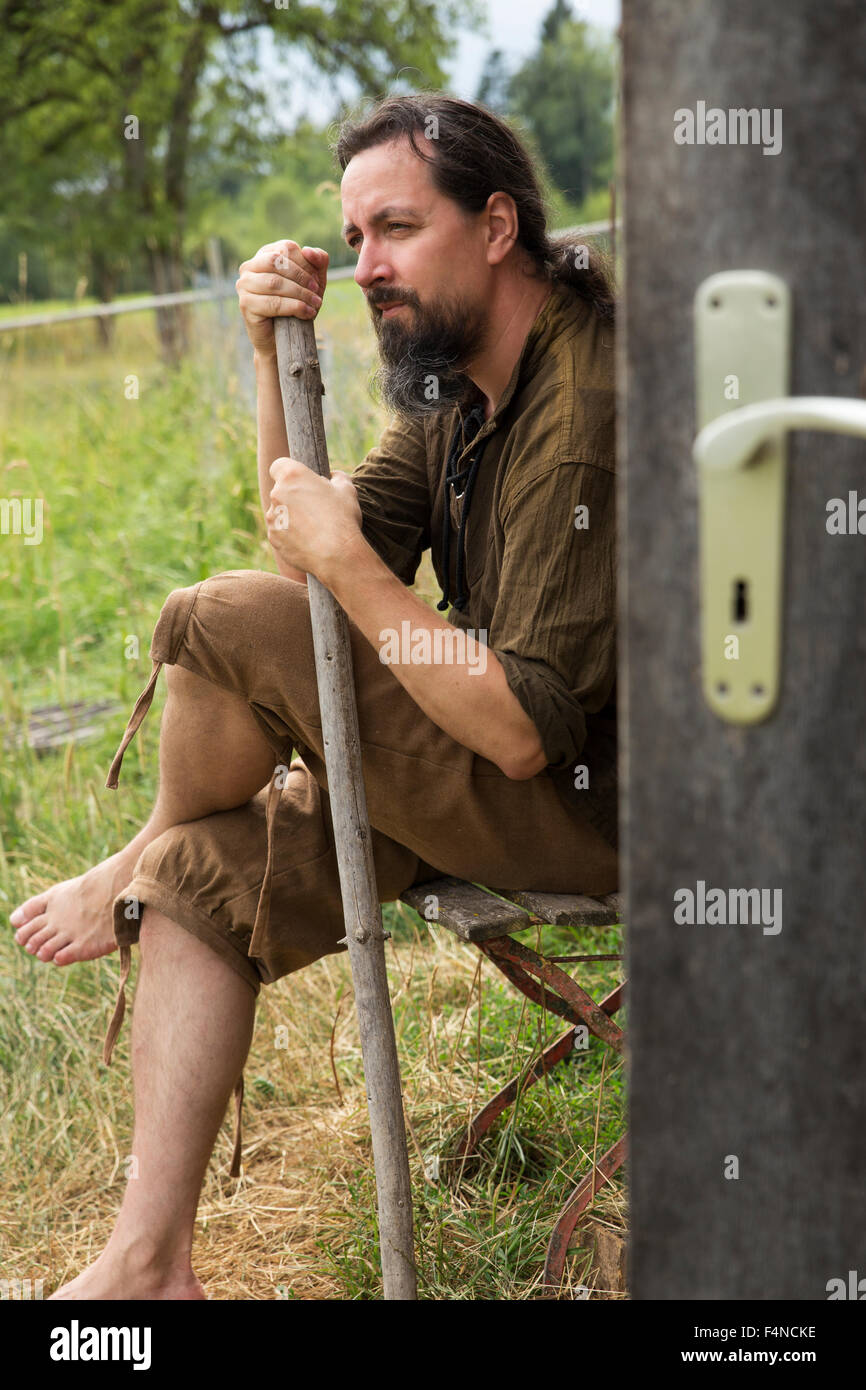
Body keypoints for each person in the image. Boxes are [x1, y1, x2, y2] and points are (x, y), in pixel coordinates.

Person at [9, 93, 618, 1300]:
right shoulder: (466, 386)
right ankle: (146, 1268)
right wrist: (262, 357)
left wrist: (345, 566)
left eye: (394, 229)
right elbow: (311, 547)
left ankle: (128, 852)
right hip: (497, 753)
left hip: (606, 806)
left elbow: (513, 730)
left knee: (220, 617)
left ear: (496, 225)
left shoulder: (585, 413)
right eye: (353, 242)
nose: (368, 268)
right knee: (202, 881)